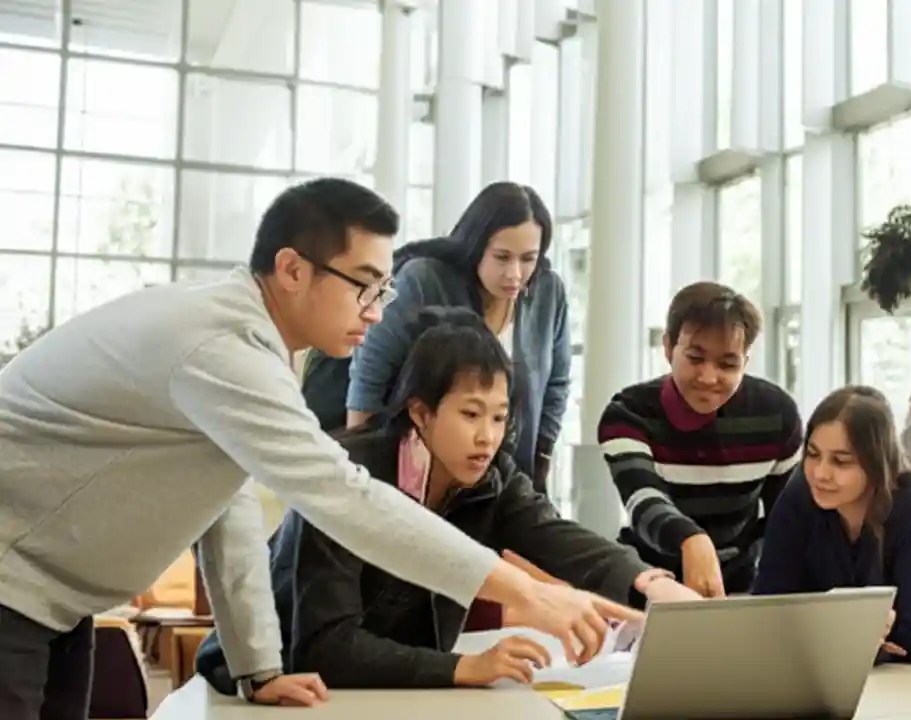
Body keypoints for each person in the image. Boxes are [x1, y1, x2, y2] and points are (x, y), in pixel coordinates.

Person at [0, 178, 636, 719]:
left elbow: (224, 510)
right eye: (364, 285)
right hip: (13, 582)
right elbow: (341, 495)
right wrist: (524, 591)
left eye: (383, 289)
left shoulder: (256, 350)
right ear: (293, 269)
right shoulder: (220, 347)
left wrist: (257, 669)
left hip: (58, 597)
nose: (376, 310)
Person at [195, 308, 700, 692]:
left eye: (499, 418)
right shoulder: (344, 475)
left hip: (390, 694)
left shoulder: (490, 478)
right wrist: (463, 667)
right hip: (268, 688)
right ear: (420, 412)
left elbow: (559, 537)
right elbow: (325, 646)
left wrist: (649, 584)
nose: (488, 437)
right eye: (471, 414)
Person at [322, 182, 569, 490]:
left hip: (504, 479)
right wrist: (360, 475)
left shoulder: (548, 293)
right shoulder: (422, 281)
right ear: (477, 245)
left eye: (528, 259)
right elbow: (369, 382)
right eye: (502, 257)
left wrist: (541, 459)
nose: (515, 274)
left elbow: (555, 386)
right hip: (415, 476)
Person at [599, 282, 804, 598]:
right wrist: (692, 540)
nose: (709, 377)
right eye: (695, 358)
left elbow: (787, 517)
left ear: (745, 362)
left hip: (739, 591)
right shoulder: (628, 413)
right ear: (668, 348)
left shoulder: (777, 415)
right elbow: (643, 500)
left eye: (727, 364)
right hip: (650, 586)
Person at [753, 386, 911, 665]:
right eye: (813, 454)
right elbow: (768, 609)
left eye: (841, 462)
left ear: (877, 462)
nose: (820, 473)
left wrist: (826, 633)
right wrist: (851, 633)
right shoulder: (801, 492)